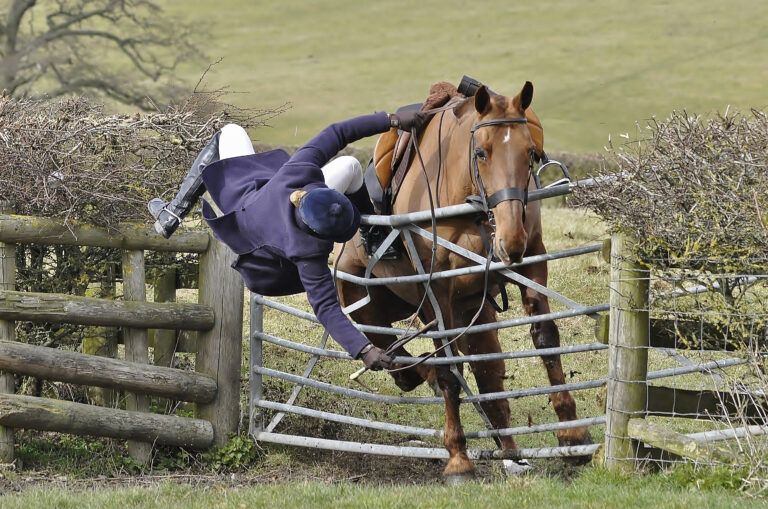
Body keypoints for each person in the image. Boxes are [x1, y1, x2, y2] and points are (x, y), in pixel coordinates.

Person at [148, 110, 425, 370]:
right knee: (347, 165)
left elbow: (339, 131)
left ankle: (374, 237)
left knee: (348, 164)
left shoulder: (300, 170)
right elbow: (327, 308)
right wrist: (364, 349)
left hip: (257, 186)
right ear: (321, 237)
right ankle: (174, 213)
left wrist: (391, 119)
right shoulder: (307, 254)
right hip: (247, 229)